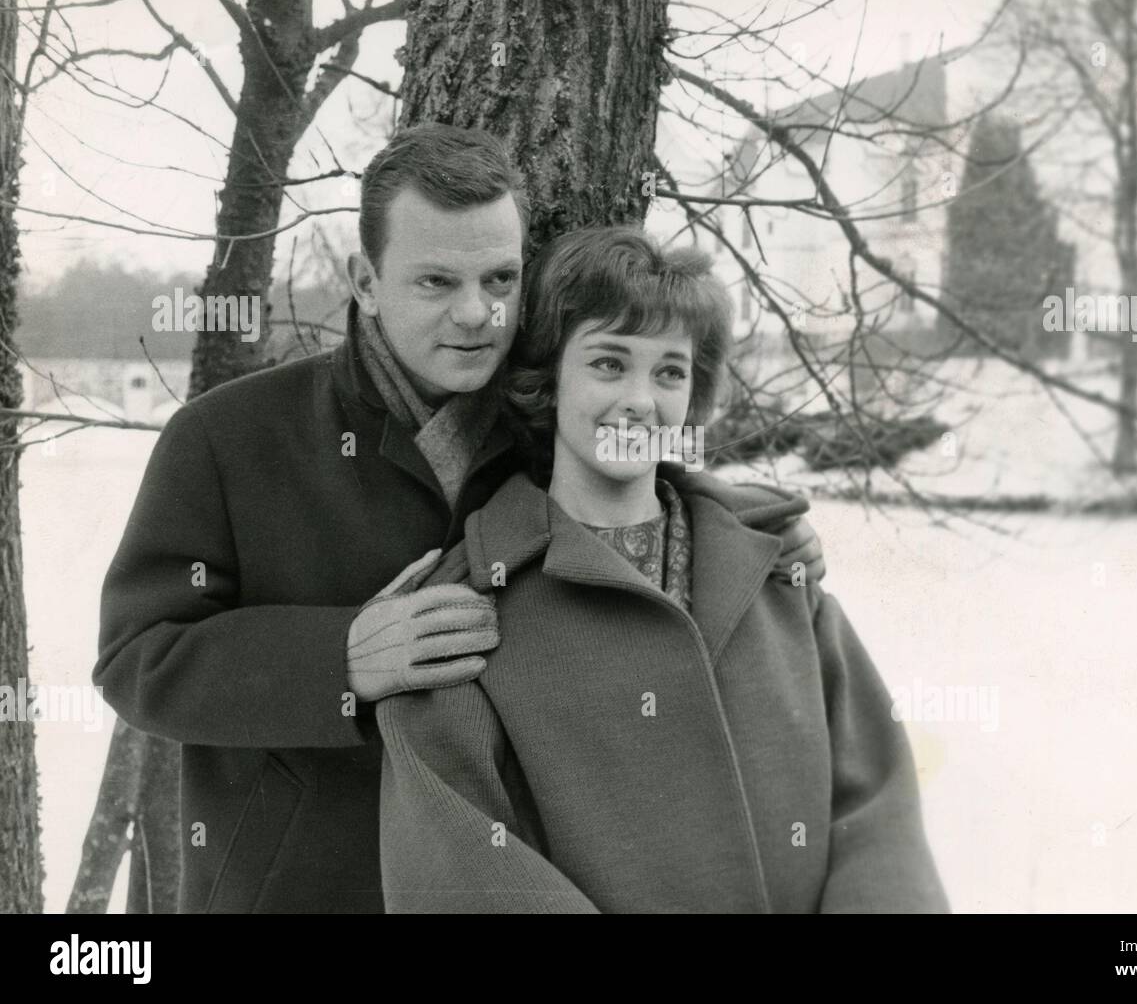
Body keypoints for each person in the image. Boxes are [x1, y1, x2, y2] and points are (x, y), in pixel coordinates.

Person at [94, 123, 823, 913]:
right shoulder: (227, 436)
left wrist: (754, 529)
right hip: (301, 884)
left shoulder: (541, 421)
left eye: (501, 279)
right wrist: (340, 661)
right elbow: (138, 658)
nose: (478, 314)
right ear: (365, 281)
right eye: (436, 282)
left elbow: (642, 468)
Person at [377, 226, 949, 913]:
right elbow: (463, 871)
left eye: (669, 371)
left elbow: (877, 809)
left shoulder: (779, 577)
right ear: (549, 379)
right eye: (609, 363)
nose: (641, 401)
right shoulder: (465, 612)